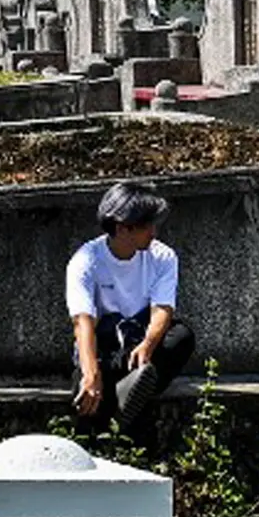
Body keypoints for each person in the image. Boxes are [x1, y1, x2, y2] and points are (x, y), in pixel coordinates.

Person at [65, 182, 197, 447]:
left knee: (182, 337)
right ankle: (121, 394)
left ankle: (131, 389)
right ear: (123, 227)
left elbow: (163, 308)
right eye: (146, 225)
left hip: (141, 341)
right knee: (87, 386)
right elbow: (83, 322)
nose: (153, 231)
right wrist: (91, 373)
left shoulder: (163, 256)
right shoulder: (86, 260)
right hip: (106, 348)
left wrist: (149, 344)